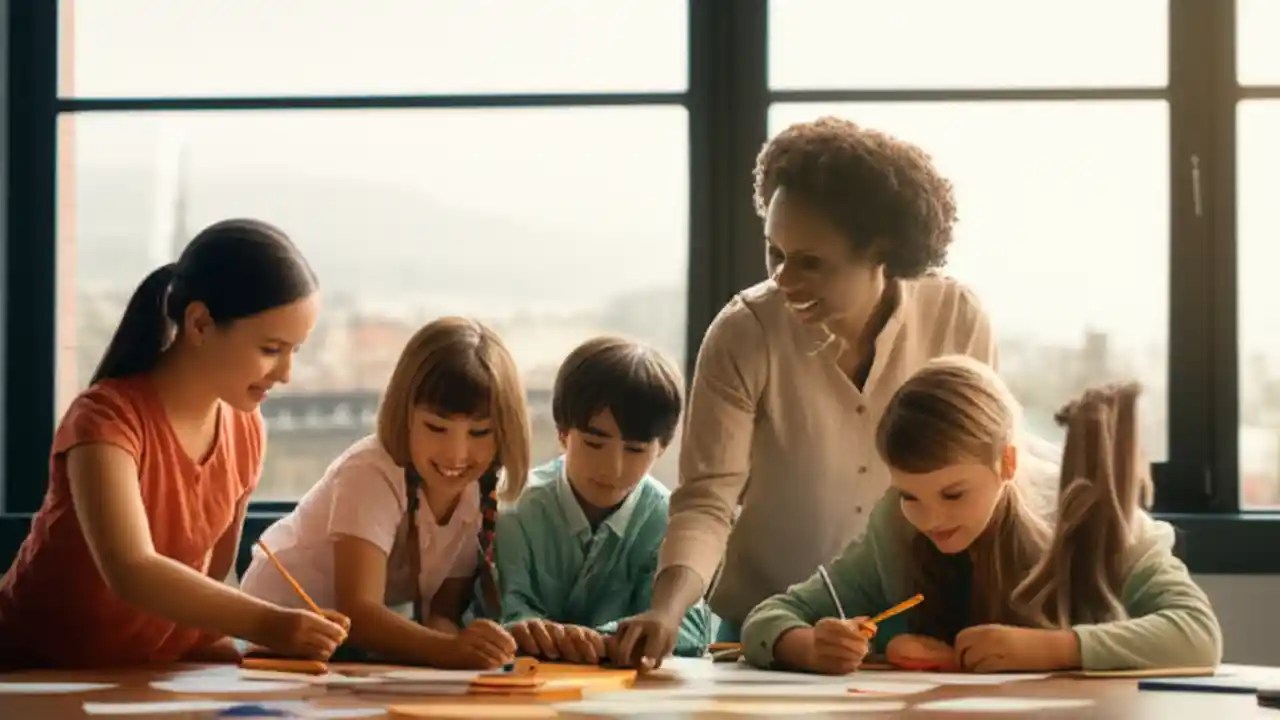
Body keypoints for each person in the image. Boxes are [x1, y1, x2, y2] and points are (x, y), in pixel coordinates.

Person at [615, 117, 998, 666]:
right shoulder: (744, 332)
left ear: (881, 253)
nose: (785, 280)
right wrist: (667, 612)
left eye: (812, 263)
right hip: (764, 634)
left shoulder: (956, 319)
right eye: (776, 254)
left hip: (911, 632)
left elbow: (986, 476)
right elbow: (706, 499)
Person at [0, 219, 349, 668]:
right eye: (270, 349)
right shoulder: (106, 419)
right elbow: (132, 570)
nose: (285, 374)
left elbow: (209, 576)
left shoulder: (246, 427)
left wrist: (279, 641)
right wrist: (270, 624)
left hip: (151, 667)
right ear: (200, 324)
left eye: (294, 351)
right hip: (38, 668)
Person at [741, 357, 1222, 674]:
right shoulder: (895, 527)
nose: (930, 519)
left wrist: (1048, 649)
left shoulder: (1083, 514)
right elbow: (769, 617)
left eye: (953, 493)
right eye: (910, 495)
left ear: (1006, 464)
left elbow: (1197, 633)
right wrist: (806, 647)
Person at [240, 317, 527, 669]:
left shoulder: (479, 491)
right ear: (404, 414)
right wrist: (448, 650)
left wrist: (472, 646)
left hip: (345, 650)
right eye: (436, 427)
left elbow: (441, 612)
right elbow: (359, 613)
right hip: (277, 633)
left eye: (480, 433)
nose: (456, 454)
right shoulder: (370, 472)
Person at [494, 338, 711, 664]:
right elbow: (503, 610)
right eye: (594, 443)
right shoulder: (515, 506)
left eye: (636, 450)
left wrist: (598, 640)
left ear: (663, 447)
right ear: (563, 432)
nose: (613, 468)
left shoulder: (669, 520)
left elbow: (689, 628)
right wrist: (536, 632)